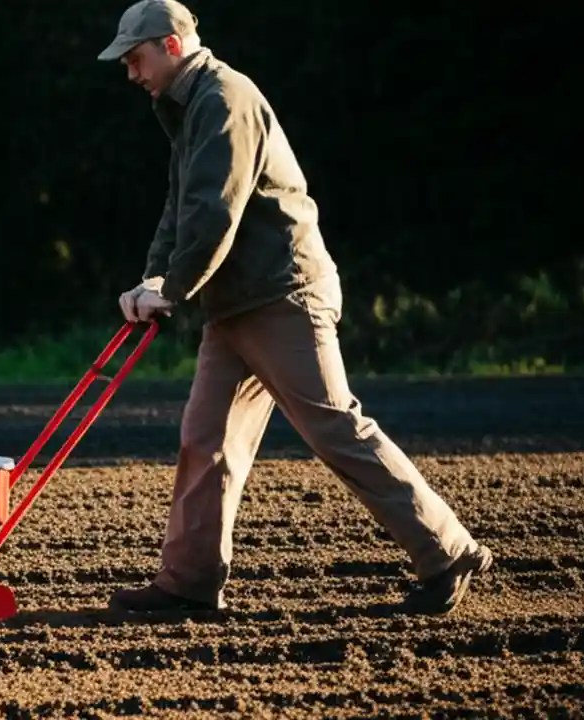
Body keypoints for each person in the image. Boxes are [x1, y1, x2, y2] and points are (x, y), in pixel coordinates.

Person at [98, 0, 492, 615]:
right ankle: (190, 582)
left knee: (335, 427)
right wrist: (153, 275)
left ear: (171, 46)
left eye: (136, 59)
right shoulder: (186, 106)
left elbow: (215, 212)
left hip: (282, 295)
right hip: (234, 305)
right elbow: (180, 207)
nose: (132, 74)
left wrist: (172, 291)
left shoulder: (225, 100)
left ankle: (447, 550)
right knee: (206, 440)